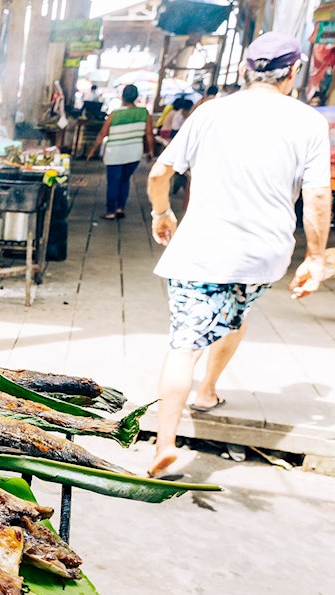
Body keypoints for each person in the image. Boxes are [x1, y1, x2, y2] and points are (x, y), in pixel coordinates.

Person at [144, 32, 331, 477]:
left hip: (204, 251)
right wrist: (316, 257)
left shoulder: (211, 113)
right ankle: (207, 391)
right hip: (265, 255)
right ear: (293, 71)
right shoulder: (307, 122)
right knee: (234, 312)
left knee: (184, 343)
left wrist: (162, 212)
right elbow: (318, 197)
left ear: (247, 69)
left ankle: (164, 445)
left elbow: (159, 172)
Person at [87, 84, 153, 220]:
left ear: (122, 96)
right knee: (125, 180)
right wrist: (150, 151)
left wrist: (93, 150)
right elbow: (149, 134)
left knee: (113, 182)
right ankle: (120, 208)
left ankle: (111, 211)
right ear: (136, 97)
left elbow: (102, 134)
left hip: (115, 154)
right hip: (134, 154)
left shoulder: (115, 114)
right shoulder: (144, 113)